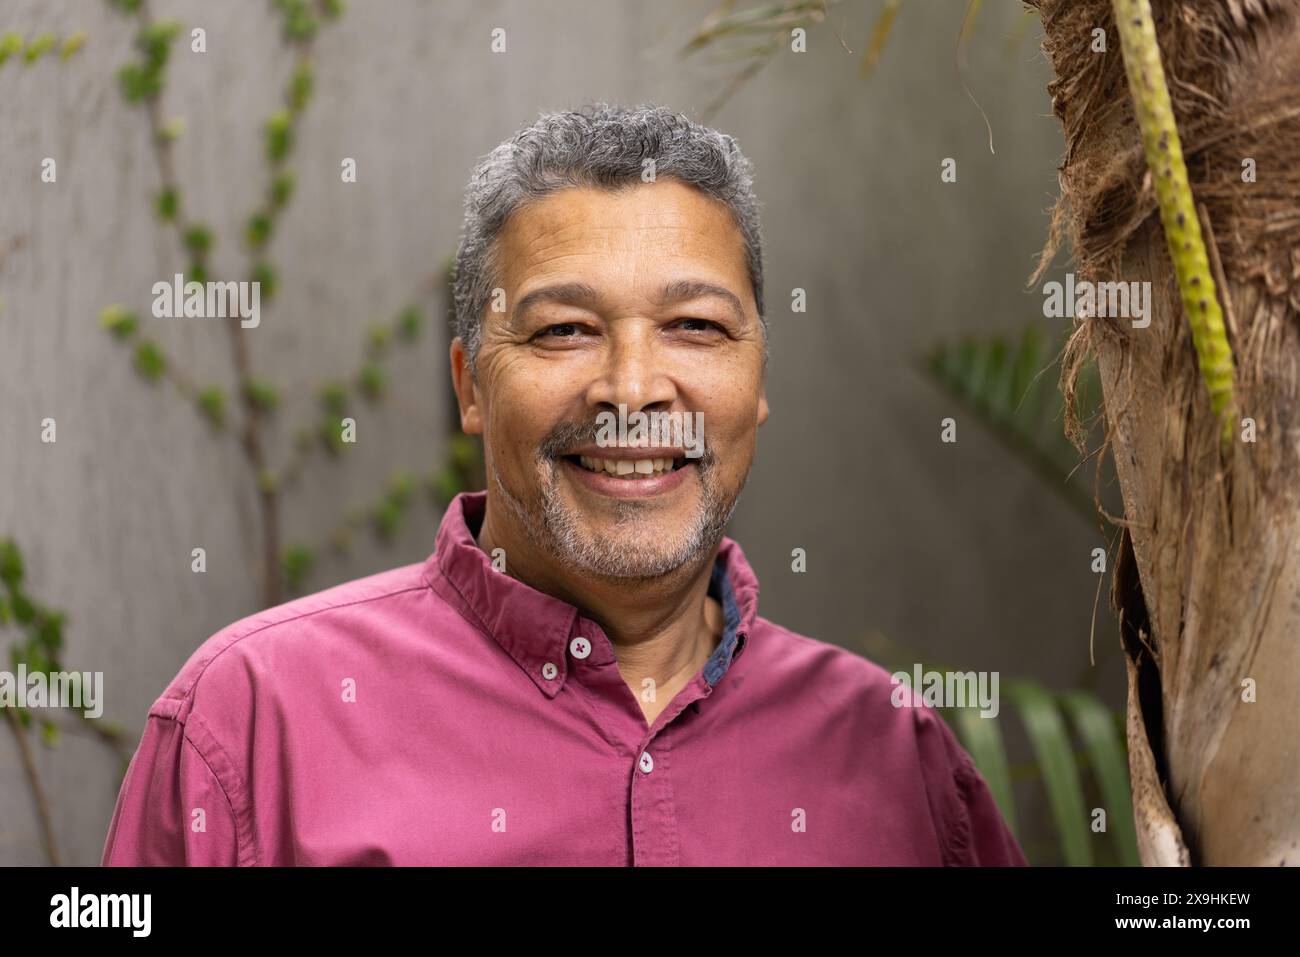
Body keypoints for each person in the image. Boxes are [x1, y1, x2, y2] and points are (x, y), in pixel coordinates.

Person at [102, 103, 1026, 866]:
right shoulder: (253, 724)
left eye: (695, 327)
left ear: (759, 380)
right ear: (470, 384)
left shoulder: (894, 756)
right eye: (563, 331)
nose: (632, 390)